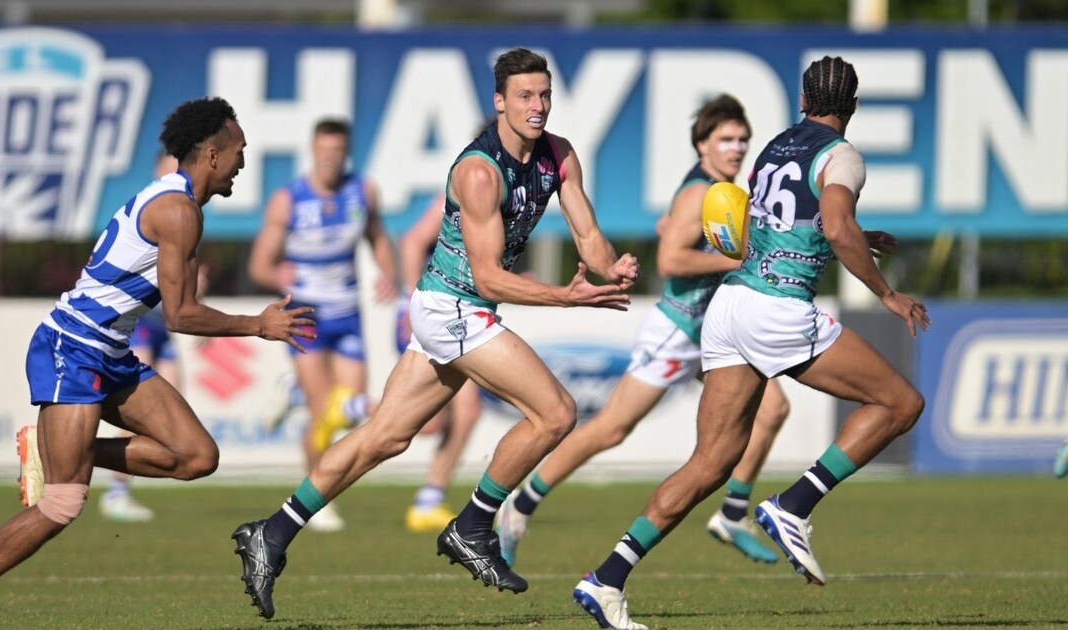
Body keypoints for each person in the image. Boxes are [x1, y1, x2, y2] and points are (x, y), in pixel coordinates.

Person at [230, 47, 640, 620]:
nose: (538, 107)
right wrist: (566, 296)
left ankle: (270, 534)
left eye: (544, 95)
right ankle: (474, 524)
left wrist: (612, 266)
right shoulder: (478, 171)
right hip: (454, 308)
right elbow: (489, 275)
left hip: (452, 309)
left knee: (384, 437)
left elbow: (589, 235)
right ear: (499, 102)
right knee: (556, 414)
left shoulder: (559, 155)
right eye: (525, 96)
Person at [0, 97, 314, 630]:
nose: (245, 162)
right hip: (74, 347)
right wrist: (257, 325)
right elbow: (180, 314)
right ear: (213, 155)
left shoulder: (185, 209)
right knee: (63, 502)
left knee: (197, 457)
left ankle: (49, 447)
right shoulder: (177, 211)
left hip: (110, 353)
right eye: (240, 150)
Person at [571, 56, 930, 630]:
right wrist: (887, 294)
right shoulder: (844, 156)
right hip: (778, 309)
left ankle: (606, 579)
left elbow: (771, 222)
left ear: (803, 101)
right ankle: (794, 506)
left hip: (730, 305)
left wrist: (860, 234)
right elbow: (834, 226)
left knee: (710, 462)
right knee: (900, 403)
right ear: (854, 106)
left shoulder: (777, 146)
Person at [497, 95, 789, 569]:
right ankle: (521, 503)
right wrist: (739, 260)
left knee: (772, 408)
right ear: (702, 146)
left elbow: (677, 231)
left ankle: (734, 512)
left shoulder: (723, 191)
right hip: (678, 329)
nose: (736, 148)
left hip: (714, 332)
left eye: (742, 140)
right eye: (726, 140)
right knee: (611, 429)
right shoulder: (701, 193)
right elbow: (671, 259)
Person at [248, 118, 398, 533]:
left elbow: (378, 237)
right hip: (306, 317)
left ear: (346, 152)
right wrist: (277, 276)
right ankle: (316, 501)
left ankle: (291, 391)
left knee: (349, 413)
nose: (330, 159)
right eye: (323, 151)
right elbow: (259, 264)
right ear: (312, 151)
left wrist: (389, 274)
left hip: (348, 313)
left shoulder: (362, 191)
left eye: (338, 151)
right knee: (322, 414)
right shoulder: (288, 200)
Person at [100, 152, 183, 523]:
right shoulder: (149, 208)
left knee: (174, 405)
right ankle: (116, 490)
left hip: (166, 322)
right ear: (156, 171)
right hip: (139, 322)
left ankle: (118, 485)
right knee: (139, 410)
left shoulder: (183, 208)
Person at [396, 193, 484, 533]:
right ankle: (350, 409)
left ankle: (429, 500)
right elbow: (411, 242)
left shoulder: (511, 201)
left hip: (465, 318)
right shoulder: (461, 194)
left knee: (465, 412)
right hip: (434, 315)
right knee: (428, 422)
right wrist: (410, 300)